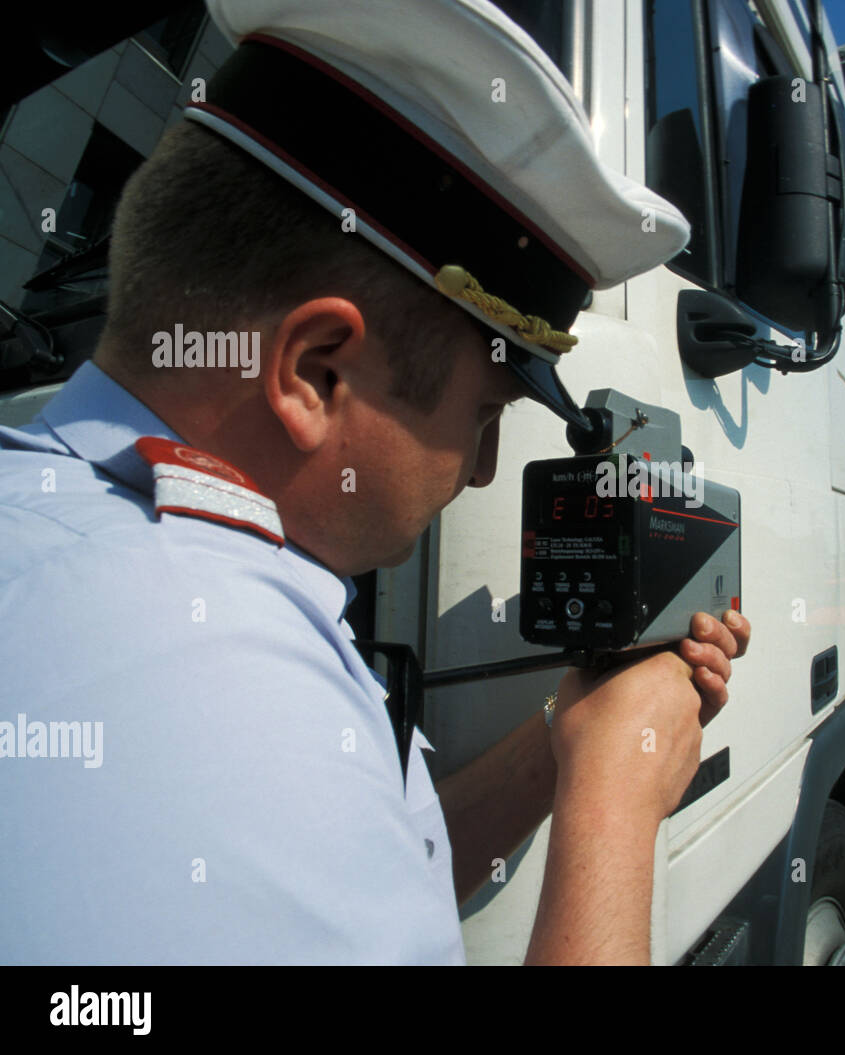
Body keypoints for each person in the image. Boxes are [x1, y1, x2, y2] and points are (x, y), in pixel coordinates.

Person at [0, 0, 750, 965]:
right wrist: (615, 807)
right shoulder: (224, 703)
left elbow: (381, 873)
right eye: (482, 415)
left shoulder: (107, 556)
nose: (482, 473)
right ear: (319, 370)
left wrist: (575, 736)